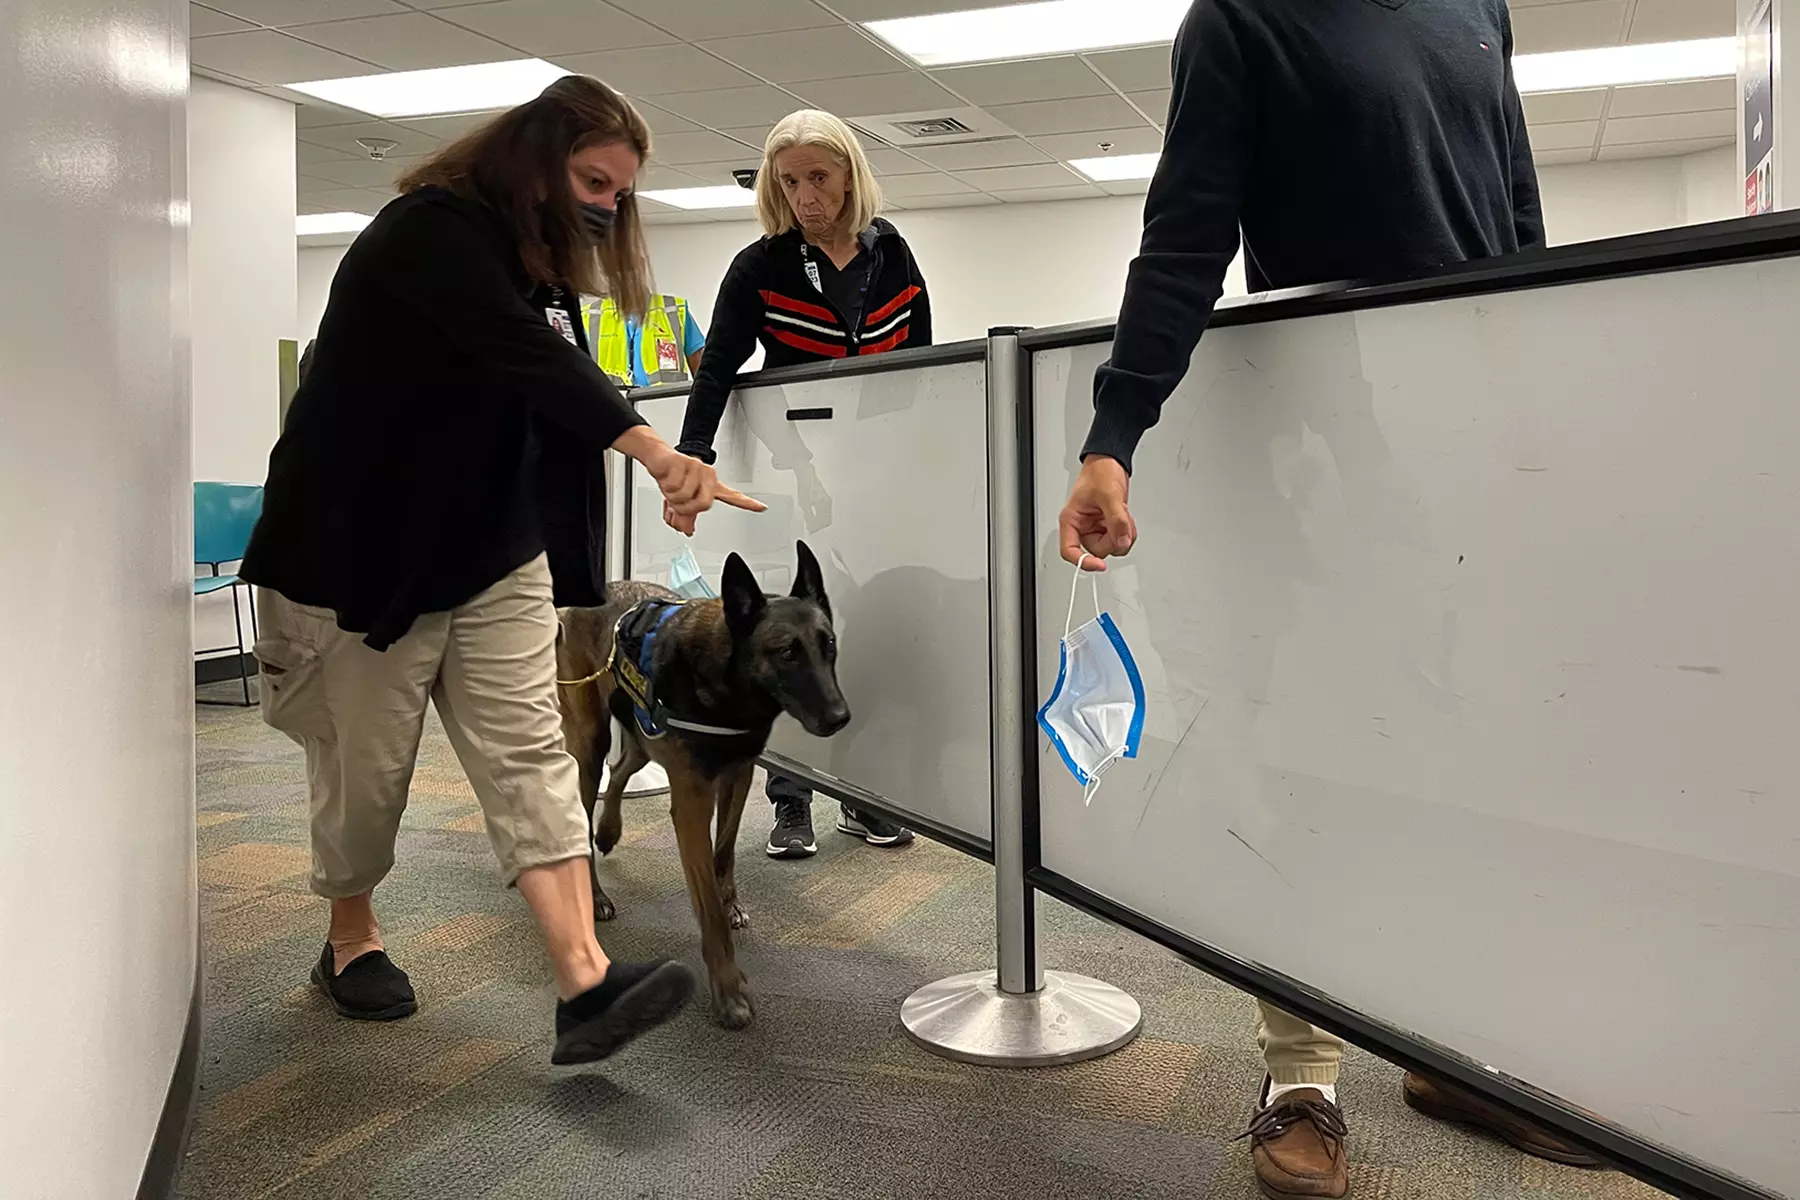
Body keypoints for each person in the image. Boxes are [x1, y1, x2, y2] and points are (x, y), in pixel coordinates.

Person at [1055, 3, 1600, 1197]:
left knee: (1469, 757)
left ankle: (1454, 1054)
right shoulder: (1242, 19)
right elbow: (1186, 235)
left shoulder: (1476, 7)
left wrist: (1540, 408)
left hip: (1460, 453)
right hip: (1325, 460)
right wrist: (1114, 437)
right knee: (1317, 766)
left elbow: (1515, 217)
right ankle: (1302, 1075)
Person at [240, 75, 762, 1067]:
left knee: (530, 750)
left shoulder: (542, 274)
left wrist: (584, 552)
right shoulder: (425, 232)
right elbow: (520, 354)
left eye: (621, 188)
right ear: (531, 162)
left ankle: (584, 980)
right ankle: (350, 934)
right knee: (366, 780)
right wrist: (657, 450)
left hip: (488, 548)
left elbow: (554, 386)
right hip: (355, 555)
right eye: (590, 177)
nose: (607, 204)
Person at [675, 108, 931, 860]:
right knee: (787, 645)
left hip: (877, 479)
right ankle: (791, 801)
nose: (804, 194)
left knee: (861, 635)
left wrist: (927, 469)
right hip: (795, 475)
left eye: (818, 176)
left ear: (851, 174)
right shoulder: (761, 266)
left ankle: (860, 796)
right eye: (788, 181)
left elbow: (922, 369)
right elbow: (716, 364)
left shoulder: (894, 256)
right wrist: (692, 456)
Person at [584, 291, 705, 387]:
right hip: (611, 412)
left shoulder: (673, 310)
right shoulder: (589, 316)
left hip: (667, 411)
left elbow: (705, 376)